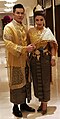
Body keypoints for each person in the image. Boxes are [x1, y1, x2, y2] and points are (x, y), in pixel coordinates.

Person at [3, 4, 35, 117]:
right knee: (16, 84)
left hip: (25, 61)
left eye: (22, 13)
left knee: (26, 83)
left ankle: (24, 104)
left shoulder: (24, 27)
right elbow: (9, 44)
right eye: (18, 13)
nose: (20, 15)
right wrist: (24, 49)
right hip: (15, 61)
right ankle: (15, 107)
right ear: (13, 14)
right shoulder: (9, 28)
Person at [27, 4, 58, 115]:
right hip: (34, 59)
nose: (39, 22)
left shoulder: (47, 32)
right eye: (37, 20)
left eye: (41, 20)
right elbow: (27, 46)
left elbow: (53, 46)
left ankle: (45, 104)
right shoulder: (30, 32)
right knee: (37, 80)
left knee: (45, 81)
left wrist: (53, 58)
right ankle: (41, 101)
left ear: (44, 20)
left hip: (44, 59)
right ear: (34, 20)